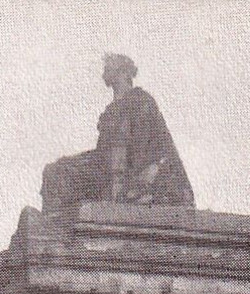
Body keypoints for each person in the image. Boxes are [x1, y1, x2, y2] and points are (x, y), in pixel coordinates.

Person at [40, 54, 194, 212]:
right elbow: (103, 152)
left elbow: (151, 146)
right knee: (55, 170)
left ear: (123, 71)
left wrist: (129, 181)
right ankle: (55, 221)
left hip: (135, 171)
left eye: (108, 67)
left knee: (61, 171)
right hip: (109, 167)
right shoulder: (111, 110)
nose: (103, 73)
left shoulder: (140, 100)